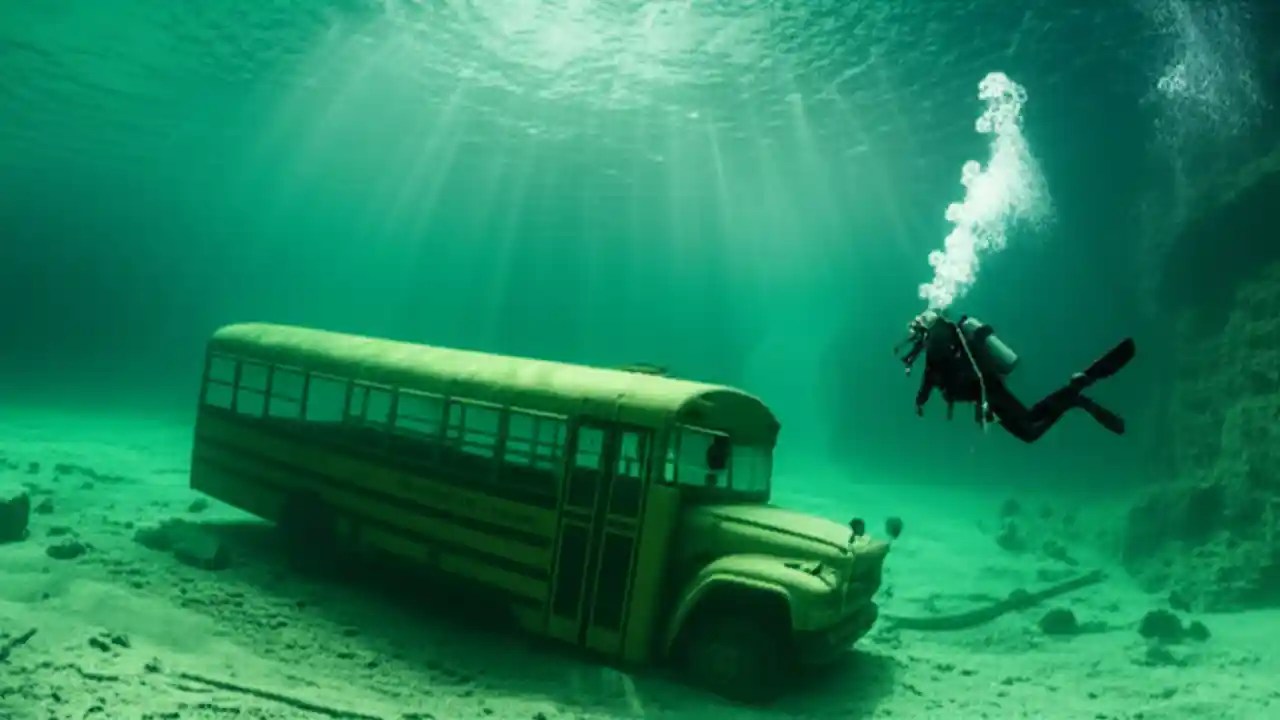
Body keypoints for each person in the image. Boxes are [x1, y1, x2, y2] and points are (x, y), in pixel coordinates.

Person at [894, 309, 1135, 443]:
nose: (914, 337)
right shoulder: (947, 337)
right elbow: (934, 374)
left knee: (1029, 429)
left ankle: (1074, 396)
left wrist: (920, 400)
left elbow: (930, 374)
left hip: (988, 391)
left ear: (925, 326)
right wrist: (922, 399)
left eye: (916, 330)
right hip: (988, 390)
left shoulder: (937, 341)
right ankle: (1074, 394)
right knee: (1029, 423)